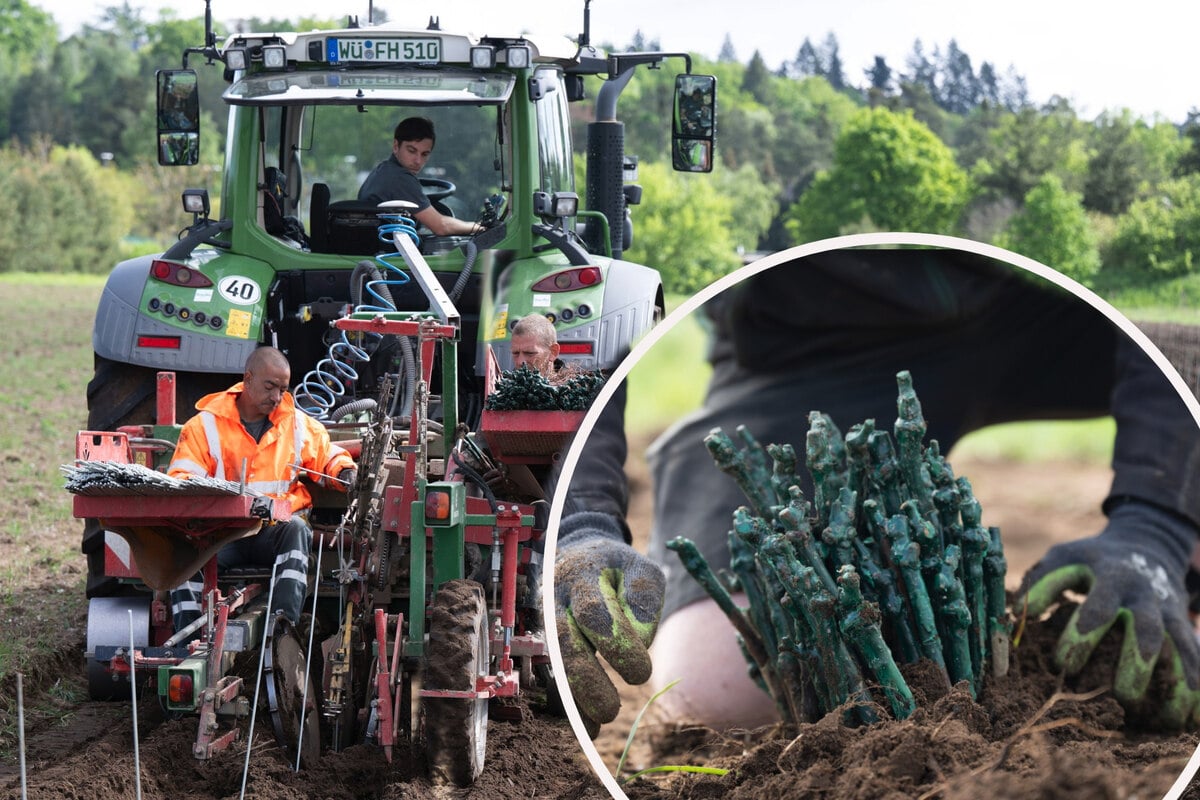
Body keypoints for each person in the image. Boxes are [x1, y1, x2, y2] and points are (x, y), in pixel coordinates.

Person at [553, 246, 1200, 736]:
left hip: (1077, 306)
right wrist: (581, 518)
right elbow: (582, 282)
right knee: (723, 689)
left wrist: (1157, 523)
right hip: (822, 330)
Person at [168, 346, 357, 630]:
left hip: (272, 533)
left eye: (282, 389)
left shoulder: (296, 425)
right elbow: (182, 479)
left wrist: (344, 472)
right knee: (182, 553)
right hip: (221, 535)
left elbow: (327, 454)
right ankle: (187, 638)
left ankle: (282, 632)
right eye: (270, 387)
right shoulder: (203, 427)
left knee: (296, 529)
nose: (277, 397)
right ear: (248, 379)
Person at [357, 116, 485, 237]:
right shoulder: (401, 179)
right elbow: (441, 226)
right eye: (412, 151)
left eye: (424, 154)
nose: (418, 161)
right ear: (396, 146)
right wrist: (479, 227)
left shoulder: (382, 171)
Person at [510, 313, 562, 378]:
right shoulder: (501, 386)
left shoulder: (574, 386)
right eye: (515, 353)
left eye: (530, 353)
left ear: (553, 352)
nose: (520, 362)